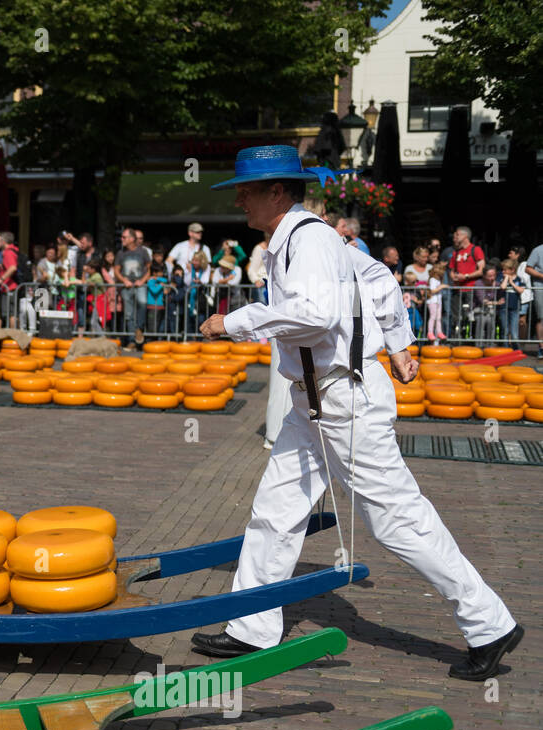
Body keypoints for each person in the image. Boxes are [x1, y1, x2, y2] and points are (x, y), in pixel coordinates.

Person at [193, 144, 521, 680]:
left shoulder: (311, 240)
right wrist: (399, 343)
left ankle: (489, 622)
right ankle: (250, 627)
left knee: (397, 521)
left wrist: (230, 323)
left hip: (344, 402)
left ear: (278, 191)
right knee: (276, 511)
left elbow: (317, 316)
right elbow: (377, 279)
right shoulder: (302, 240)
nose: (240, 201)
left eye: (246, 191)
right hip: (314, 403)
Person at [115, 227, 151, 349]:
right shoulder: (121, 253)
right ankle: (132, 341)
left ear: (131, 238)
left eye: (124, 237)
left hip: (139, 284)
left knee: (143, 302)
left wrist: (142, 280)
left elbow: (149, 268)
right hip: (127, 286)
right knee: (128, 314)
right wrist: (124, 280)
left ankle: (139, 329)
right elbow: (116, 270)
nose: (122, 239)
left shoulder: (143, 252)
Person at [446, 226, 484, 341]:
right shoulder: (455, 252)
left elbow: (481, 270)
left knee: (470, 316)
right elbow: (451, 270)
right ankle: (456, 340)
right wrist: (454, 277)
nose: (454, 237)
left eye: (457, 235)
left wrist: (466, 276)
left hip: (471, 290)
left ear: (465, 236)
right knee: (456, 316)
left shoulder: (475, 250)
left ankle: (471, 340)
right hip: (458, 290)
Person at [525, 241, 543, 356]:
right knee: (542, 318)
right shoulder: (538, 250)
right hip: (541, 287)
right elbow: (528, 268)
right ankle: (541, 347)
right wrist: (542, 276)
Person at [426, 261, 446, 341]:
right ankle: (430, 332)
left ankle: (439, 332)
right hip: (432, 301)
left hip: (438, 301)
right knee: (433, 317)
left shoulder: (438, 280)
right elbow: (432, 290)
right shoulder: (432, 280)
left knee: (438, 318)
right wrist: (441, 287)